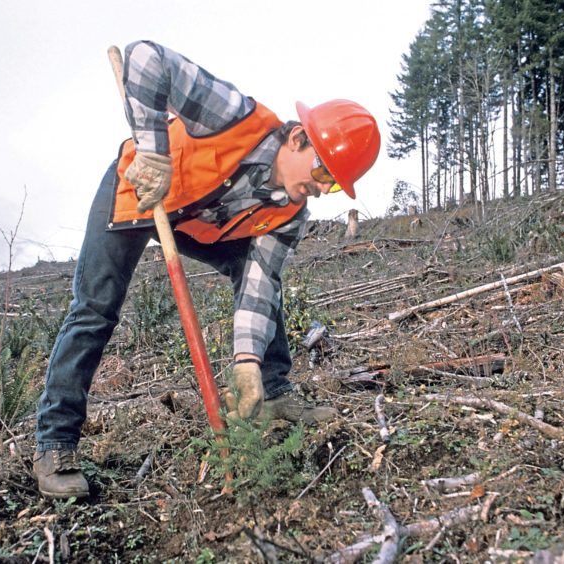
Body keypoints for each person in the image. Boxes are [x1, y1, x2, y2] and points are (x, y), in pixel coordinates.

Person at [33, 40, 381, 499]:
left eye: (333, 185)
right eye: (323, 173)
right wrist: (153, 154)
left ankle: (273, 392)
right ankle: (55, 441)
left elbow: (258, 286)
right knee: (96, 308)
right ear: (298, 138)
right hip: (137, 192)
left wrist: (246, 365)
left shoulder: (290, 213)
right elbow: (144, 59)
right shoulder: (236, 117)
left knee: (260, 277)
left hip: (197, 225)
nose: (321, 189)